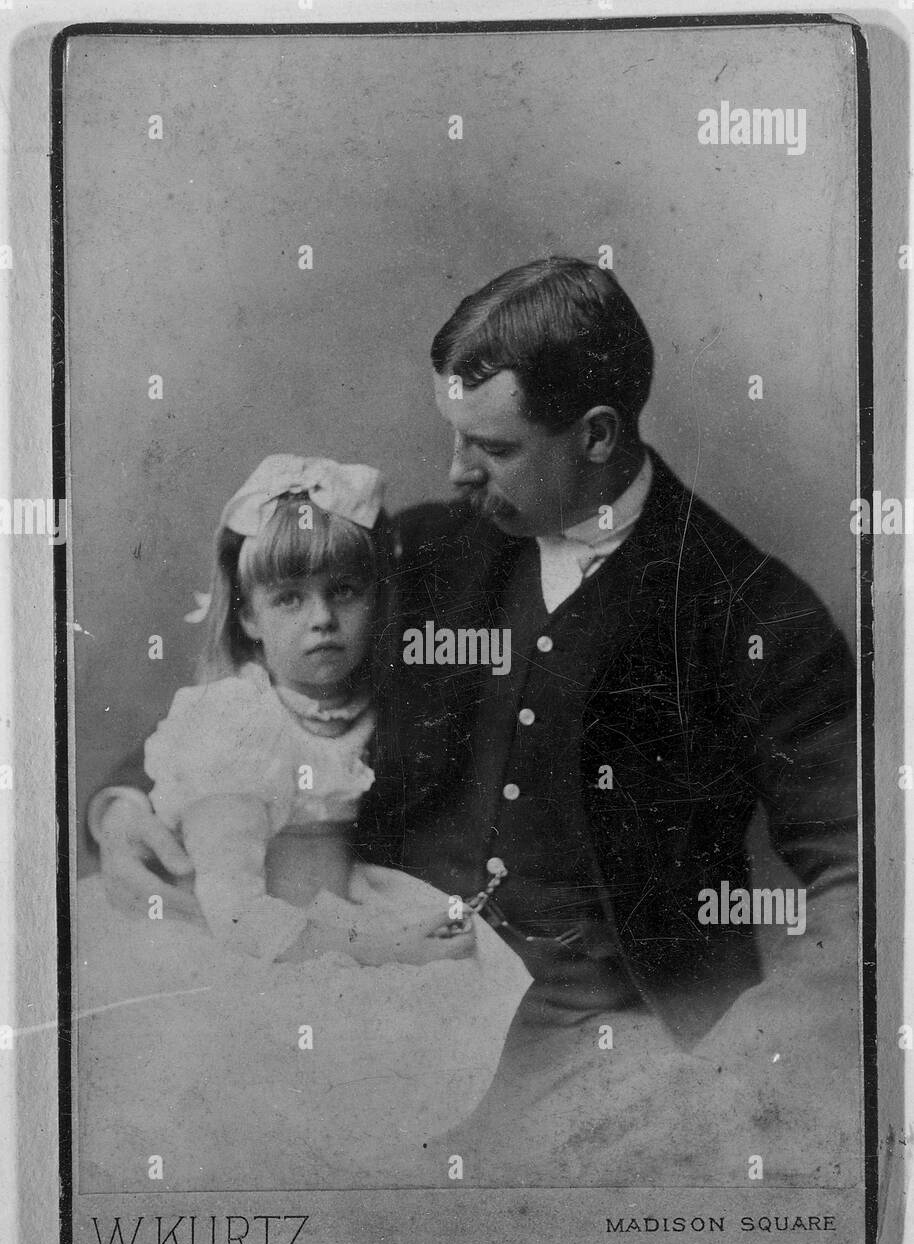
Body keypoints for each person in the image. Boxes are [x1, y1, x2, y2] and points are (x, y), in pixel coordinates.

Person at [90, 258, 861, 1187]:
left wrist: (744, 1069)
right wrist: (128, 803)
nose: (454, 473)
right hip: (384, 1004)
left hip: (610, 1043)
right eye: (454, 438)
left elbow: (866, 877)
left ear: (597, 436)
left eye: (491, 449)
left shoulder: (751, 609)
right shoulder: (421, 554)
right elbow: (260, 703)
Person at [75, 453, 530, 1191]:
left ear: (377, 598)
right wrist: (383, 950)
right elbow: (235, 916)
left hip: (349, 900)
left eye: (344, 592)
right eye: (289, 598)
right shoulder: (239, 725)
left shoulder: (375, 696)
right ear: (248, 614)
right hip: (252, 932)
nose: (322, 619)